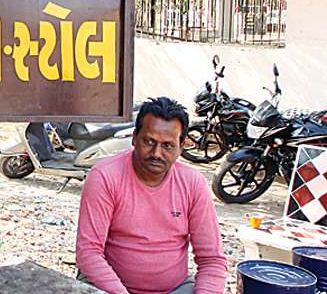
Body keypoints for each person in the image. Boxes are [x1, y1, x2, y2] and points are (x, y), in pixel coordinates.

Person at [75, 97, 227, 294]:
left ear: (181, 147)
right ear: (134, 137)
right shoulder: (105, 177)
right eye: (149, 141)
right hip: (108, 288)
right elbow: (88, 253)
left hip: (175, 288)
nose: (156, 153)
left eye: (167, 146)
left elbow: (212, 260)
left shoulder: (193, 183)